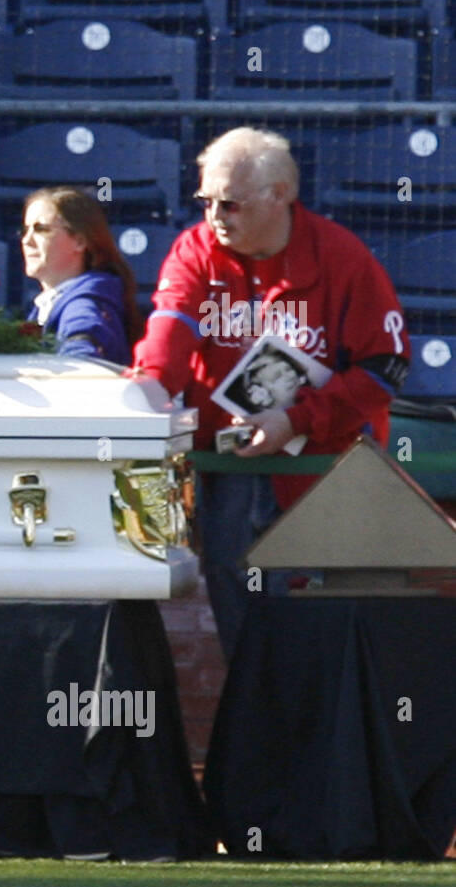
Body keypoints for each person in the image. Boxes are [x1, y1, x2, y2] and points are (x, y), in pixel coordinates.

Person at [130, 126, 410, 660]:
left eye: (230, 203)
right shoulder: (195, 251)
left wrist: (299, 419)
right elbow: (169, 332)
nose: (215, 215)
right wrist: (146, 387)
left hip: (323, 473)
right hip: (231, 470)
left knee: (319, 638)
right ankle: (258, 737)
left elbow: (387, 368)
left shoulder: (342, 257)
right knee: (246, 643)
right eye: (206, 200)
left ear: (280, 195)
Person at [21, 186, 142, 364]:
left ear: (80, 241)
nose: (26, 240)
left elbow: (81, 356)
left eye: (41, 229)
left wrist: (78, 359)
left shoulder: (83, 305)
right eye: (25, 230)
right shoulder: (51, 306)